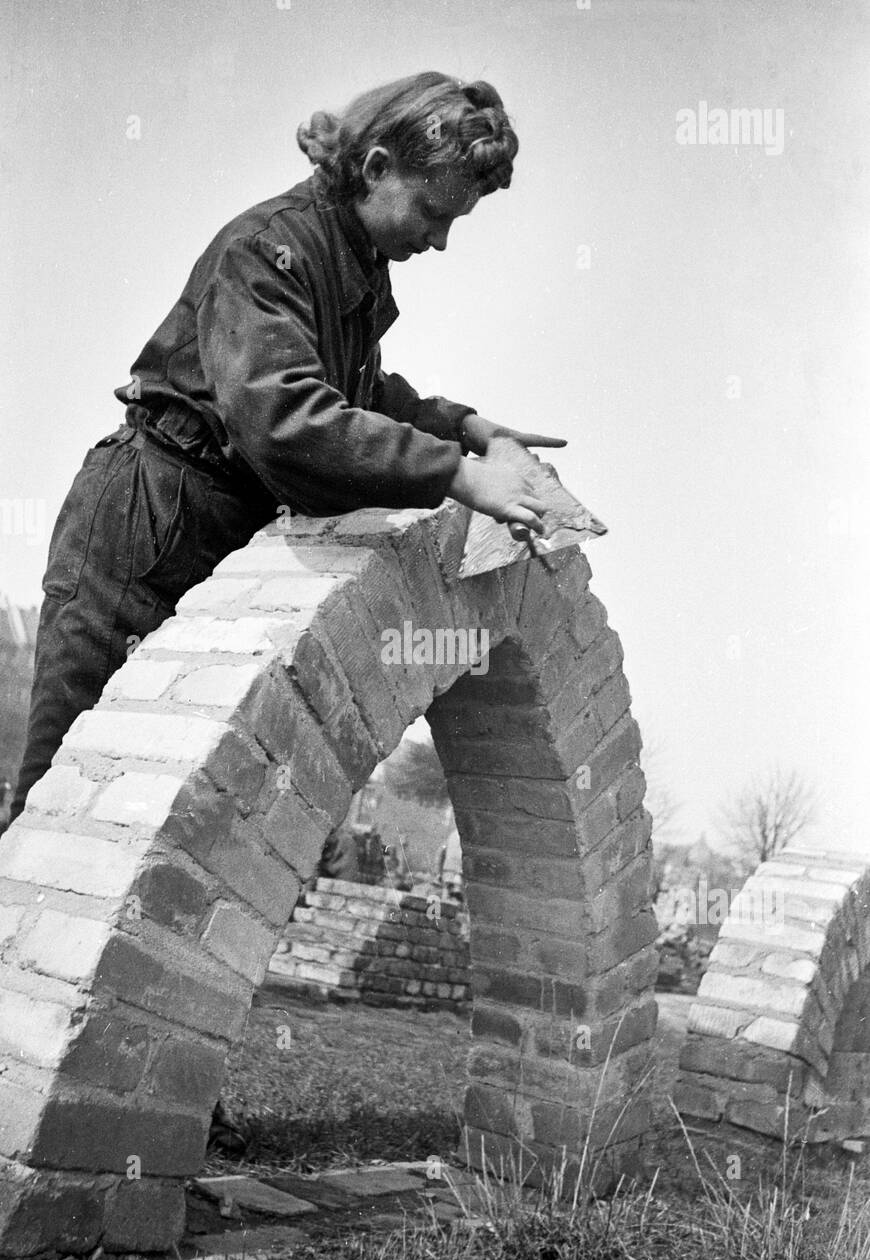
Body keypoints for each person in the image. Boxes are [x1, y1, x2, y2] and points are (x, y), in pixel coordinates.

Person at [7, 70, 567, 1151]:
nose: (442, 243)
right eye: (437, 213)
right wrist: (458, 471)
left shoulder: (346, 265)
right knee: (65, 810)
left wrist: (468, 421)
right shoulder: (268, 250)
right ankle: (31, 1070)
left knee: (183, 814)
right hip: (144, 522)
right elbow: (288, 418)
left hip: (202, 534)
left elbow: (363, 390)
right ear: (377, 167)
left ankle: (128, 1078)